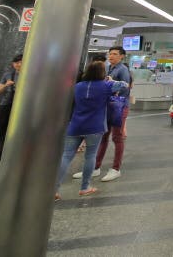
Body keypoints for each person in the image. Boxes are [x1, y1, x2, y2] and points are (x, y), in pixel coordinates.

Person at [55, 61, 128, 200]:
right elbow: (124, 85)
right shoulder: (106, 86)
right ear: (102, 73)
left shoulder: (77, 86)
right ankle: (85, 187)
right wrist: (111, 80)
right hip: (95, 126)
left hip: (75, 125)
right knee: (90, 156)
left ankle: (54, 189)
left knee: (66, 156)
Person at [79, 46, 132, 183]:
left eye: (114, 54)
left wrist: (112, 84)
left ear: (122, 56)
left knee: (117, 137)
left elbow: (126, 88)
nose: (111, 56)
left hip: (119, 107)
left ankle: (116, 169)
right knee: (103, 136)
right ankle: (95, 167)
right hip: (107, 106)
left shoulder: (123, 70)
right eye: (110, 54)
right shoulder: (108, 68)